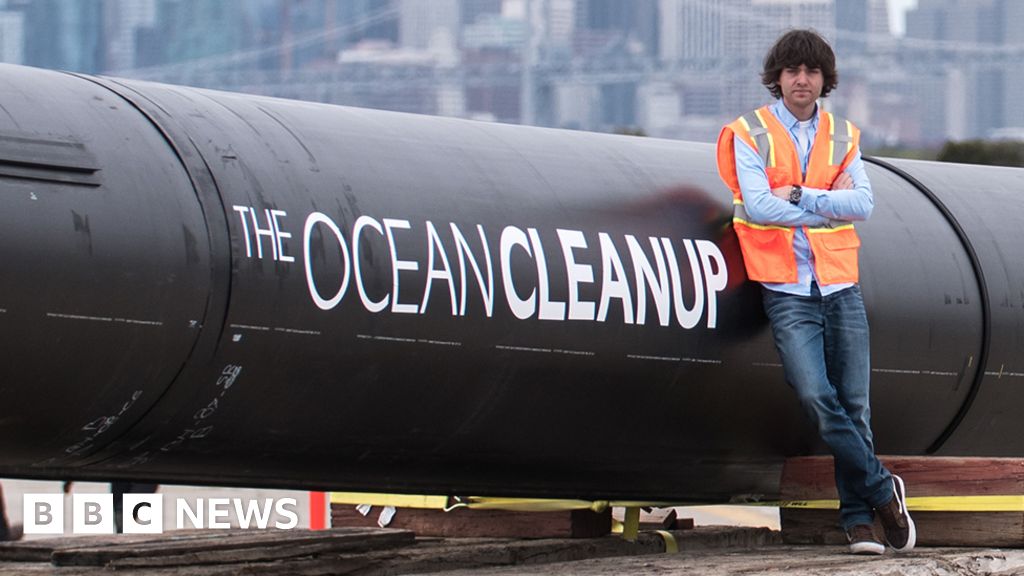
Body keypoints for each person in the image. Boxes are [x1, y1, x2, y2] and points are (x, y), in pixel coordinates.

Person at [715, 29, 915, 555]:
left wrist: (802, 195)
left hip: (840, 283)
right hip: (785, 287)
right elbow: (759, 206)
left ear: (825, 80)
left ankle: (858, 522)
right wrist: (828, 204)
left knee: (854, 403)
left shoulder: (843, 136)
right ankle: (881, 489)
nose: (801, 80)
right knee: (815, 396)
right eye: (791, 71)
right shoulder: (747, 133)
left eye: (811, 72)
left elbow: (864, 205)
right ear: (777, 79)